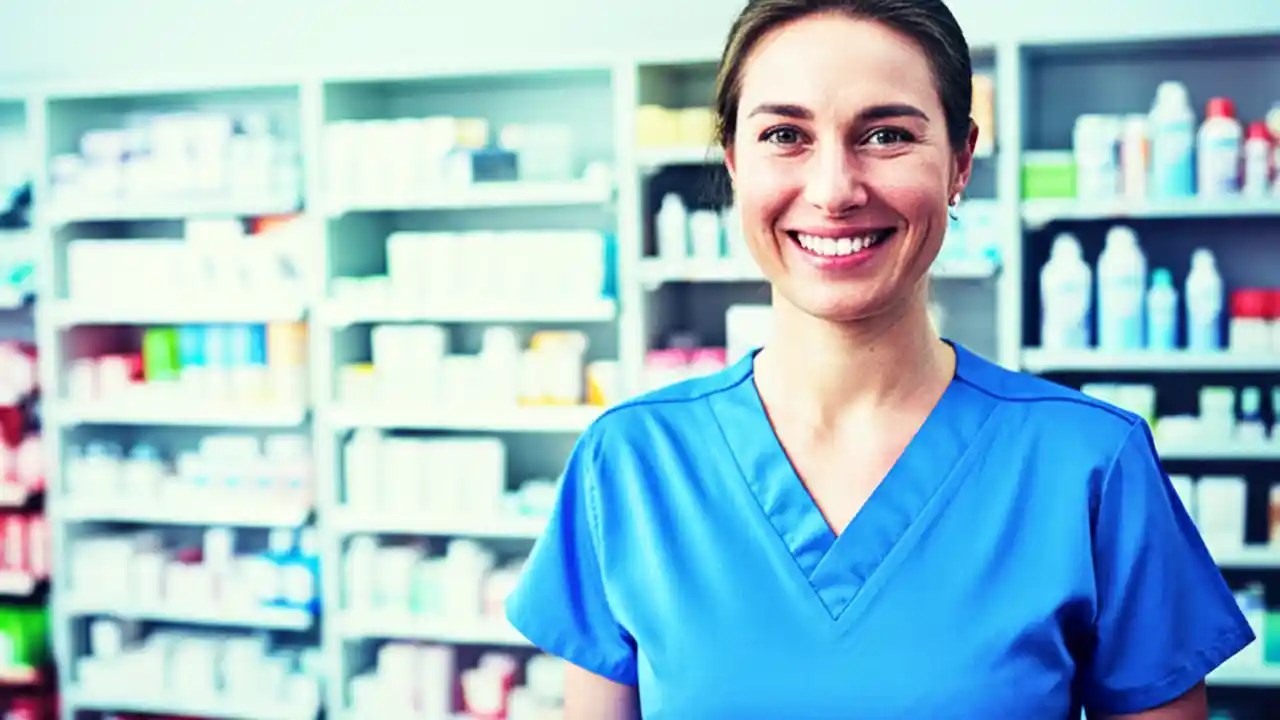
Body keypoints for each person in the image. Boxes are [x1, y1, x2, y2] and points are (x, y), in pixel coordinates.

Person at [505, 0, 1255, 717]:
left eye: (887, 135)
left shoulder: (1090, 464)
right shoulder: (631, 465)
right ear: (733, 161)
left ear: (960, 160)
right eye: (783, 136)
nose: (833, 191)